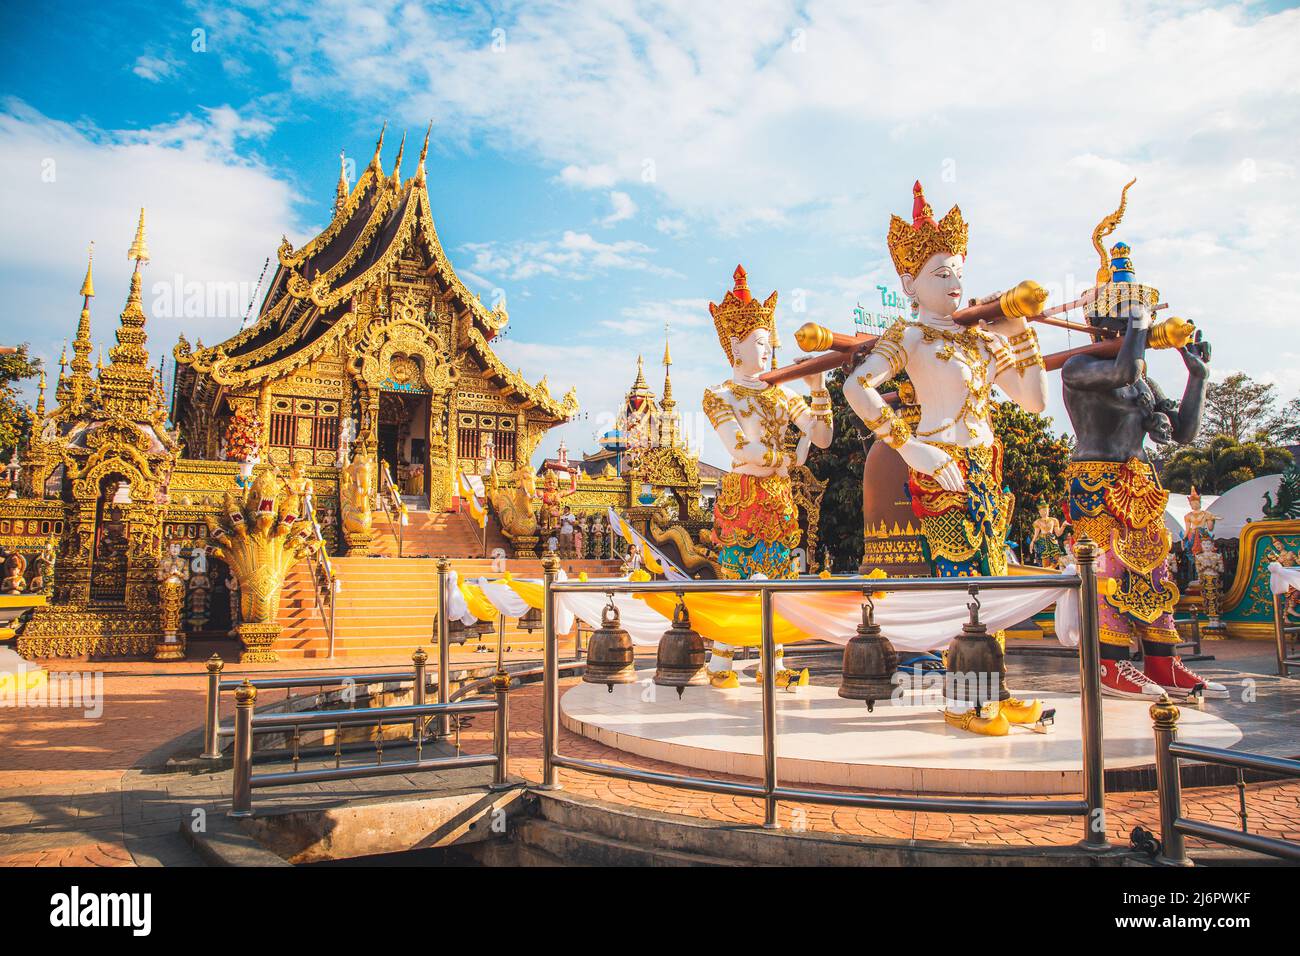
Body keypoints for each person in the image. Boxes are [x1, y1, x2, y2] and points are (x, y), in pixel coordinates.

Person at [842, 181, 1049, 734]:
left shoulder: (979, 340)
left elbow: (1033, 400)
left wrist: (1020, 332)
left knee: (994, 575)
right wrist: (913, 448)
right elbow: (856, 389)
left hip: (987, 467)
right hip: (940, 463)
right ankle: (965, 699)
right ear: (909, 283)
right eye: (941, 272)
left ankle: (991, 690)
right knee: (963, 581)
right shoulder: (908, 333)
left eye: (958, 270)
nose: (956, 282)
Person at [1059, 185, 1225, 699]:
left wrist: (1196, 378)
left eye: (1137, 314)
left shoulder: (1140, 381)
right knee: (1107, 572)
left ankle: (1161, 662)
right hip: (1097, 480)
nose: (1137, 323)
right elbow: (1127, 361)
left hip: (1141, 481)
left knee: (1153, 571)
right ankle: (1109, 665)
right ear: (1103, 321)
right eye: (1126, 314)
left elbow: (1182, 433)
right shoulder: (1080, 366)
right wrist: (1141, 326)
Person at [701, 265, 833, 689]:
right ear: (735, 348)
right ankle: (721, 661)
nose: (768, 350)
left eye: (769, 342)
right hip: (744, 493)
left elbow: (824, 436)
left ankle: (773, 662)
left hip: (778, 497)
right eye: (759, 343)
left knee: (780, 578)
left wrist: (817, 387)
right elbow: (743, 451)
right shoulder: (720, 396)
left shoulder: (783, 392)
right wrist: (788, 460)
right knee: (739, 577)